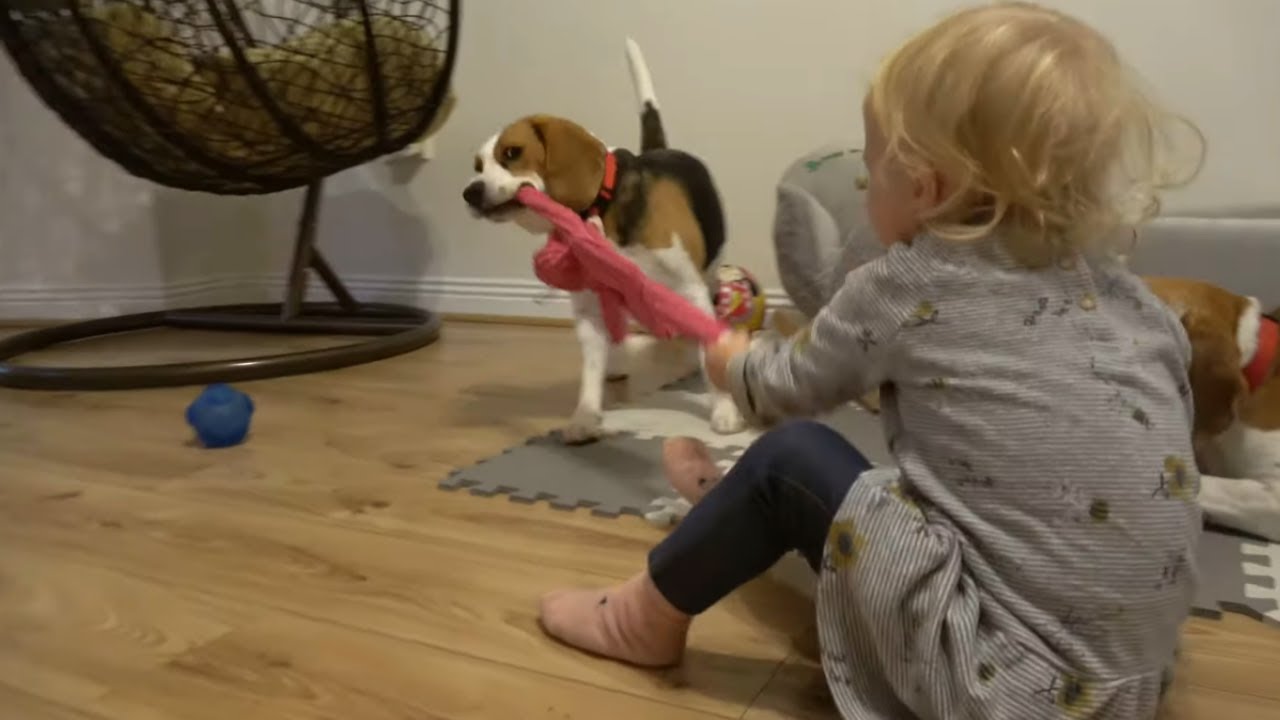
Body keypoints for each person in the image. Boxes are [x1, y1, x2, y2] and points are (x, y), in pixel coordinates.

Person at [537, 3, 1207, 717]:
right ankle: (725, 507)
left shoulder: (911, 282)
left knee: (793, 460)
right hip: (1132, 686)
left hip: (999, 690)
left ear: (927, 187)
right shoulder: (1138, 303)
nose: (865, 187)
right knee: (918, 489)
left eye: (870, 167)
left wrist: (730, 357)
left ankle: (641, 616)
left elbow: (784, 388)